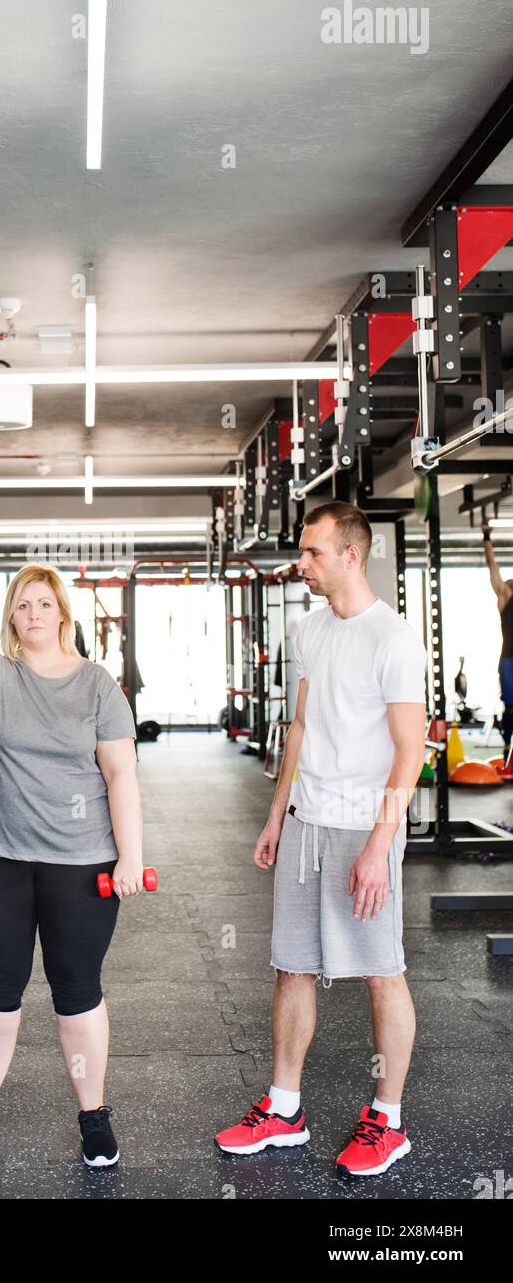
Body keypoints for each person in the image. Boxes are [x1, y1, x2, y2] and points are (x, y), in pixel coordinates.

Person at [214, 501, 427, 1177]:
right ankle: (284, 1109)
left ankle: (387, 1121)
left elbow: (411, 748)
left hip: (365, 826)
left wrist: (379, 842)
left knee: (381, 971)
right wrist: (278, 813)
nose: (301, 564)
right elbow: (300, 729)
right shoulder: (308, 631)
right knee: (292, 965)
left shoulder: (393, 638)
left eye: (312, 553)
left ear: (350, 556)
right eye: (303, 553)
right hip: (307, 822)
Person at [0, 564, 141, 1169]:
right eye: (24, 605)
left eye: (45, 604)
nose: (35, 614)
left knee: (77, 991)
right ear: (12, 618)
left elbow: (121, 773)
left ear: (63, 614)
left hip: (80, 860)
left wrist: (133, 854)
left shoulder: (99, 685)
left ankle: (93, 1116)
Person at [480, 523, 513, 755]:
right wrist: (487, 539)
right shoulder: (506, 597)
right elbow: (493, 566)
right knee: (511, 707)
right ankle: (507, 747)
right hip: (510, 660)